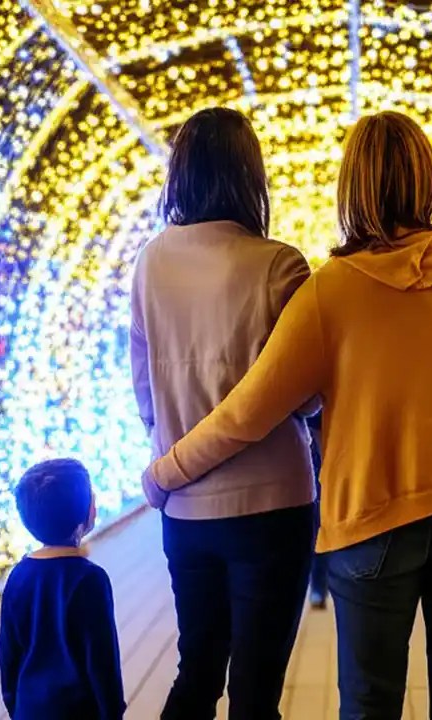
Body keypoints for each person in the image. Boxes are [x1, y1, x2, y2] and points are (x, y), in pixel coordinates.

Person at [142, 111, 432, 717]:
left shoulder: (329, 293)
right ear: (429, 182)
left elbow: (248, 412)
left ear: (349, 187)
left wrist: (167, 471)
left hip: (372, 522)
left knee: (368, 704)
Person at [129, 107, 316, 719]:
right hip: (275, 507)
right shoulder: (280, 265)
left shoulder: (151, 262)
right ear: (249, 175)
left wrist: (173, 448)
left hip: (183, 507)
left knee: (197, 669)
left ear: (180, 173)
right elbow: (309, 394)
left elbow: (143, 385)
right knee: (257, 691)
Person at [0, 459, 125, 720]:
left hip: (30, 709)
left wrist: (17, 707)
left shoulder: (18, 576)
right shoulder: (90, 579)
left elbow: (9, 656)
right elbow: (102, 661)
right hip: (79, 712)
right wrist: (112, 712)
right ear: (86, 515)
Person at [305, 413, 328, 609]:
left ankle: (319, 587)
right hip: (318, 446)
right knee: (319, 523)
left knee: (320, 522)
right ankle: (318, 587)